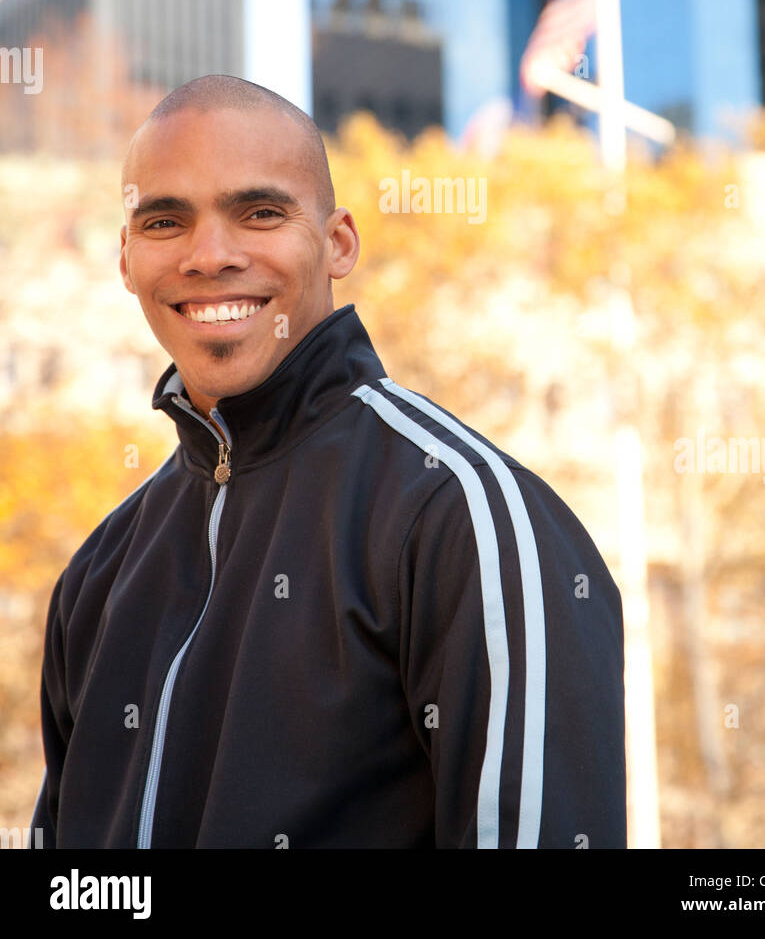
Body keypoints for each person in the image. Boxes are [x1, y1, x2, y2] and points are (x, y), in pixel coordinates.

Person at [31, 74, 627, 849]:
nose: (209, 256)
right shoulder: (97, 574)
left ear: (338, 242)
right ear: (126, 257)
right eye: (165, 221)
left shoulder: (461, 515)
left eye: (260, 212)